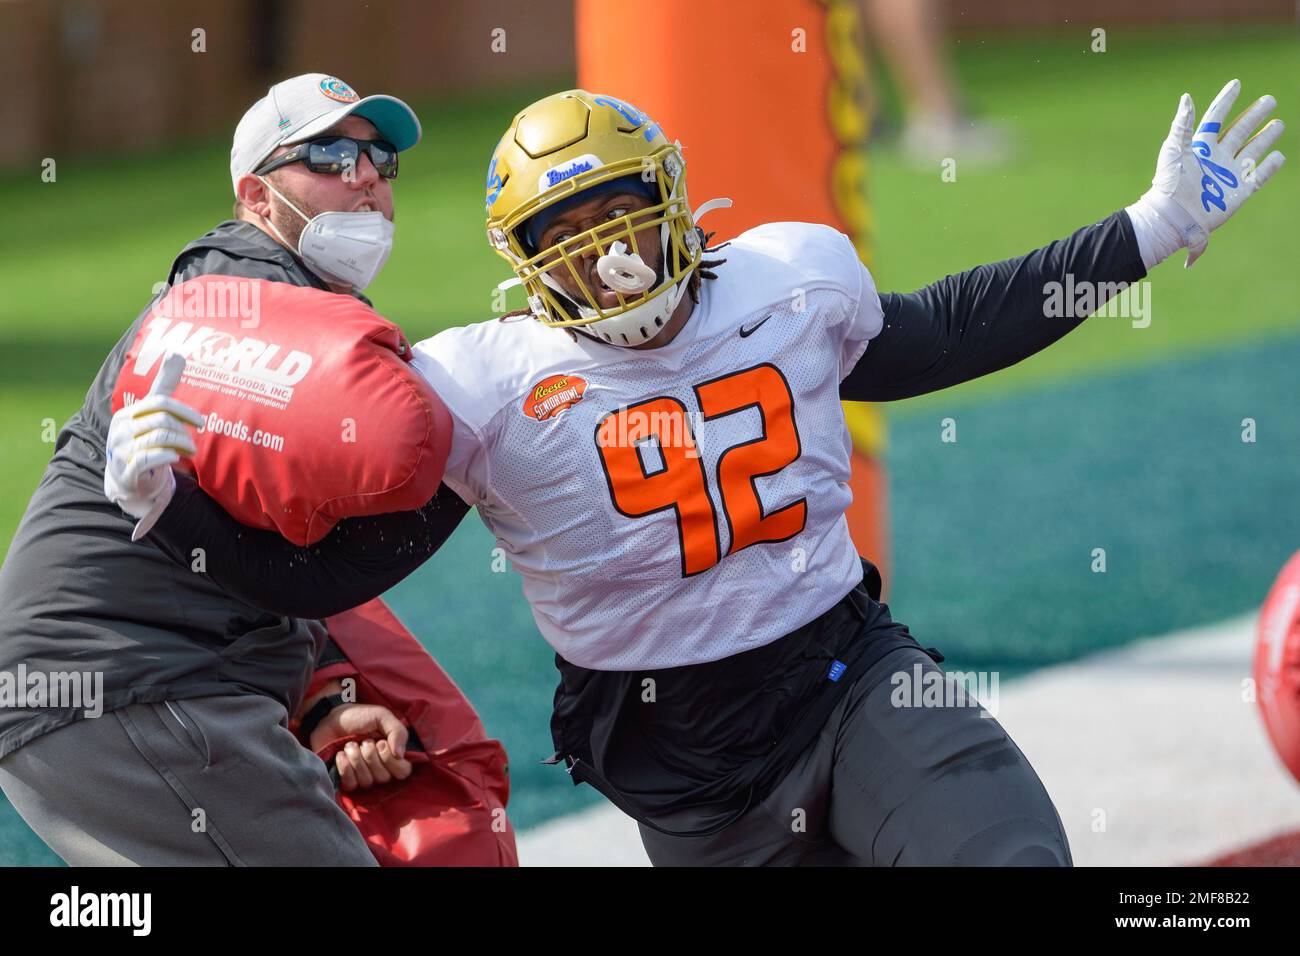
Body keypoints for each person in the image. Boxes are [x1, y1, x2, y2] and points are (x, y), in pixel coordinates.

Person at [126, 81, 1284, 865]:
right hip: (673, 743)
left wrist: (1147, 227)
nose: (610, 251)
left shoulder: (785, 280)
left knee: (1005, 851)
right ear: (523, 265)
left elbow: (945, 328)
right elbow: (343, 567)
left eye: (622, 209)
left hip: (842, 666)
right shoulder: (483, 388)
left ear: (673, 194)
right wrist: (171, 510)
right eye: (567, 232)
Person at [0, 73, 447, 865]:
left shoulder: (280, 312)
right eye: (330, 154)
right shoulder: (244, 292)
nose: (368, 176)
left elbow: (272, 553)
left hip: (111, 692)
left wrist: (322, 699)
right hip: (131, 688)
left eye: (380, 160)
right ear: (258, 196)